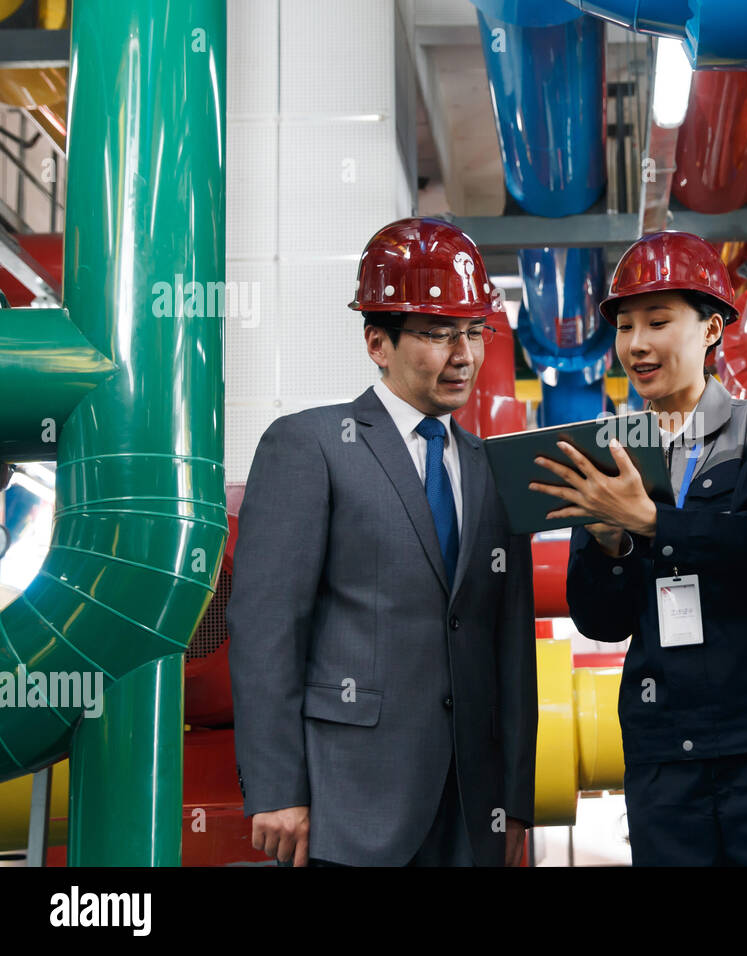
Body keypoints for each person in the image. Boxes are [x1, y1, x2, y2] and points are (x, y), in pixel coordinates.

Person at [227, 217, 537, 867]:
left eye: (473, 332)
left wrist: (516, 799)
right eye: (435, 334)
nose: (464, 355)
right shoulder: (310, 446)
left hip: (472, 806)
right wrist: (278, 788)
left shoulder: (492, 470)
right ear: (377, 341)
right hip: (350, 802)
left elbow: (510, 645)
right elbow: (267, 627)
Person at [533, 231, 747, 866]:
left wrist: (650, 521)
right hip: (664, 750)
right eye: (625, 326)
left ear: (713, 328)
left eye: (659, 321)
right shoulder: (610, 453)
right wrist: (609, 542)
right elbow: (602, 621)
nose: (636, 344)